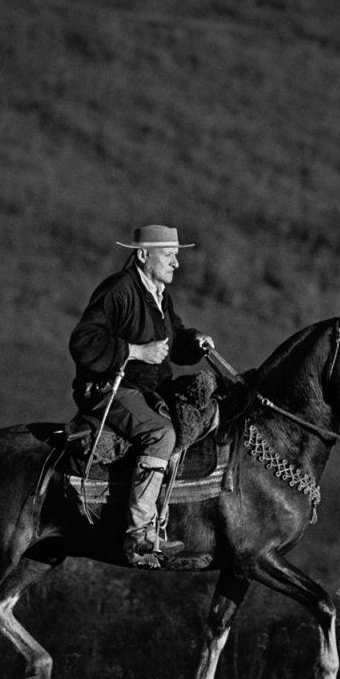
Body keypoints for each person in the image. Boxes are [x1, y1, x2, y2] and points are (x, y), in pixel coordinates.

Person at [69, 225, 215, 565]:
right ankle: (138, 534)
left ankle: (165, 520)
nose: (176, 263)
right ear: (143, 255)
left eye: (176, 255)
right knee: (161, 433)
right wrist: (134, 351)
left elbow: (173, 340)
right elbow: (83, 341)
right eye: (169, 255)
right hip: (109, 388)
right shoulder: (118, 290)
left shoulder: (160, 295)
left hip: (147, 391)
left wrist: (194, 340)